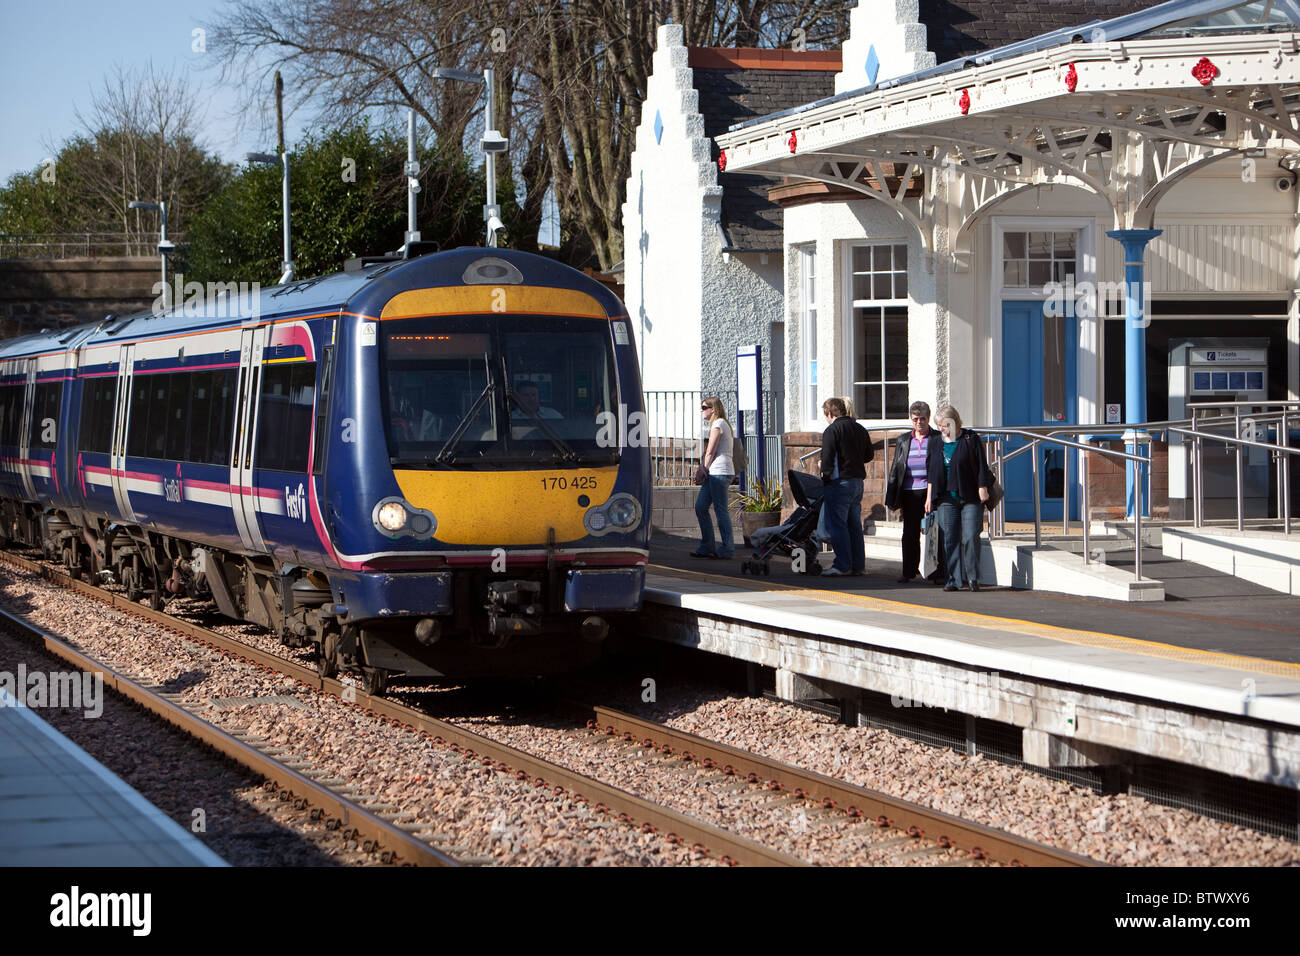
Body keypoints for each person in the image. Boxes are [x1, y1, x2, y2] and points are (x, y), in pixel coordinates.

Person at [925, 405, 993, 592]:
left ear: (954, 422)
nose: (942, 429)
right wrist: (929, 497)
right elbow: (931, 471)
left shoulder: (970, 438)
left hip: (970, 496)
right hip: (946, 498)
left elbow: (981, 466)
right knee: (949, 538)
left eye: (945, 424)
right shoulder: (936, 442)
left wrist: (983, 488)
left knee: (970, 536)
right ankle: (953, 579)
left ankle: (972, 577)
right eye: (939, 425)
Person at [885, 401, 940, 583]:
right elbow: (896, 469)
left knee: (934, 532)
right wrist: (891, 497)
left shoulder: (937, 438)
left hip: (931, 490)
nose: (919, 423)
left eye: (923, 419)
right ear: (911, 419)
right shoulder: (903, 440)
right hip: (909, 492)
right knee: (909, 533)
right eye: (915, 419)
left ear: (928, 418)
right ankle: (908, 570)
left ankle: (936, 572)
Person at [819, 396, 873, 577]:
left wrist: (824, 474)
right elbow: (869, 455)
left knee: (837, 525)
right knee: (854, 526)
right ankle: (858, 565)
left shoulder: (831, 430)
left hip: (839, 482)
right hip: (857, 482)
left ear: (829, 413)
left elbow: (827, 458)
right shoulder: (859, 429)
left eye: (825, 415)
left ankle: (842, 565)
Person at [692, 396, 735, 560]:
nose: (701, 411)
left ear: (713, 409)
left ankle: (727, 548)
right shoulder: (722, 424)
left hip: (719, 472)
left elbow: (710, 451)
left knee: (720, 510)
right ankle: (707, 545)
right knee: (701, 507)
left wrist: (703, 469)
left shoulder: (718, 424)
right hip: (717, 472)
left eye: (704, 407)